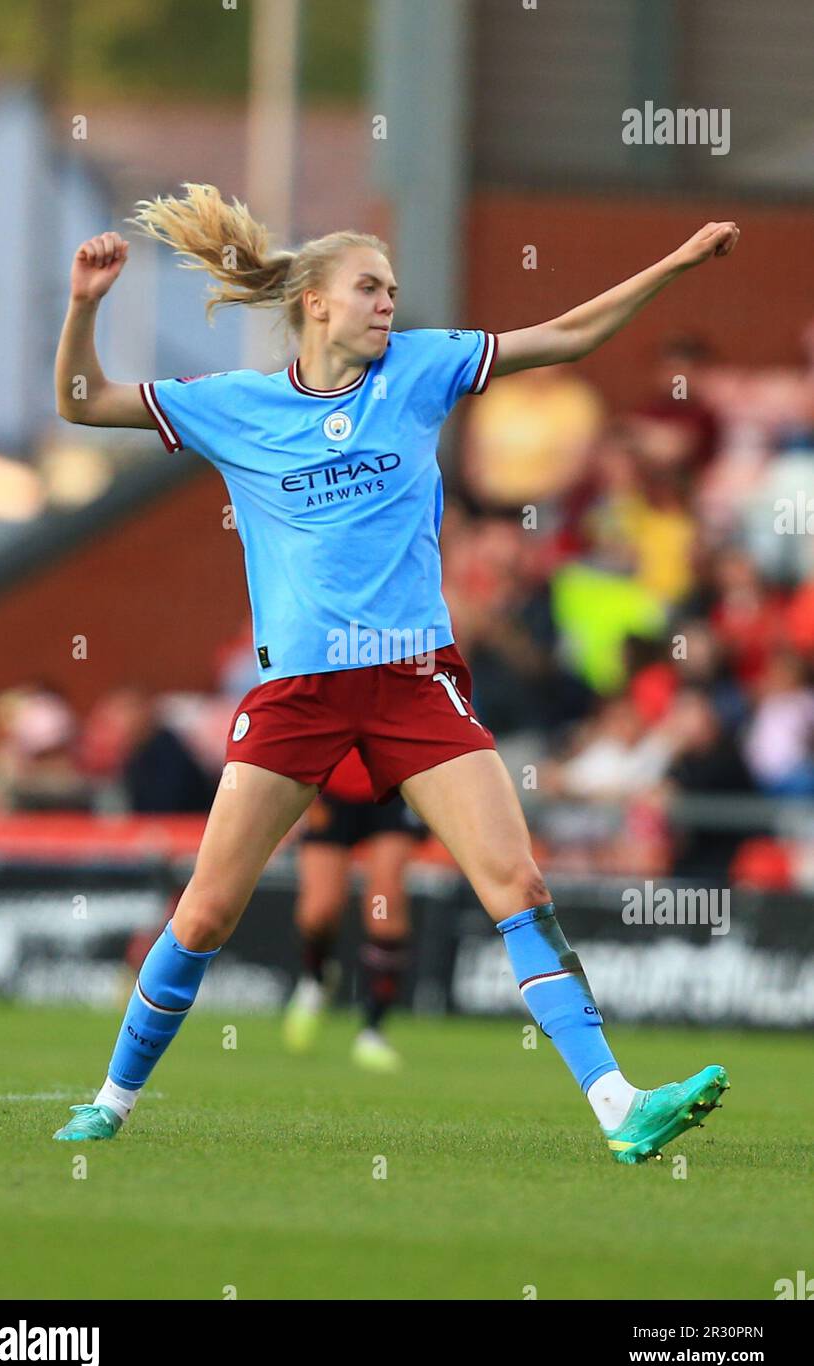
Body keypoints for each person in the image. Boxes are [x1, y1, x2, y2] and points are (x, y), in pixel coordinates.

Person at [51, 184, 738, 1163]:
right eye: (369, 287)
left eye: (392, 288)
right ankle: (110, 1102)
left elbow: (567, 335)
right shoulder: (233, 407)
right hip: (298, 694)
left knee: (516, 881)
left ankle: (618, 1105)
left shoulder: (419, 369)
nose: (387, 302)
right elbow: (79, 403)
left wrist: (672, 263)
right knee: (206, 909)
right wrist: (84, 307)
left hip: (415, 682)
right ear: (315, 303)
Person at [283, 746, 426, 1072]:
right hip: (330, 787)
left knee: (385, 910)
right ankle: (317, 977)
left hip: (392, 786)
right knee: (318, 912)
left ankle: (372, 1030)